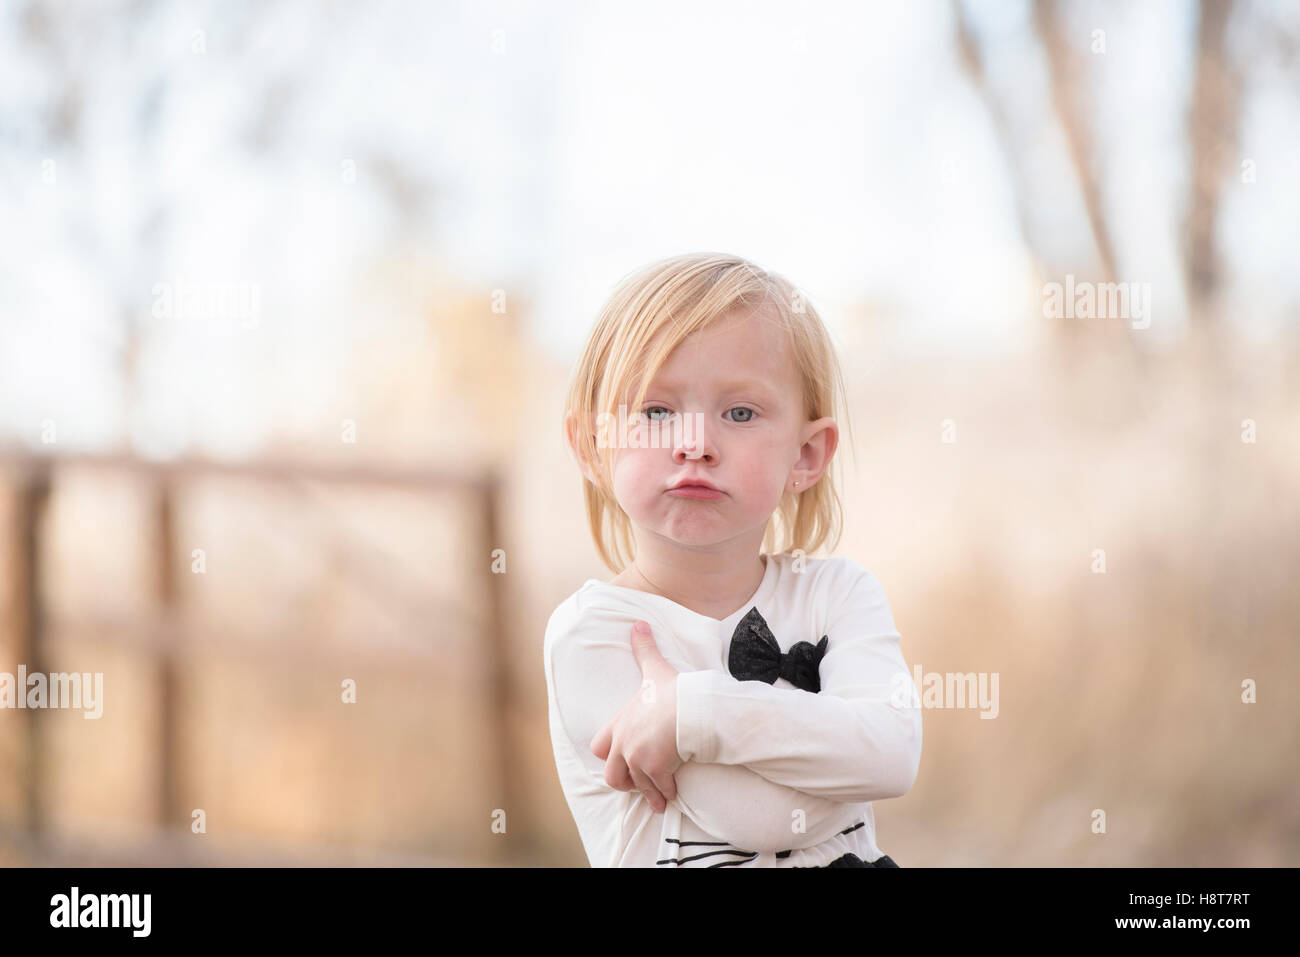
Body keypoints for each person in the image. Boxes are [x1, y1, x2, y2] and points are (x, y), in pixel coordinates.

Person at [544, 252, 922, 867]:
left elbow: (894, 753)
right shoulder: (596, 632)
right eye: (657, 411)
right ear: (593, 445)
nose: (695, 443)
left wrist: (689, 712)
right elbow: (762, 818)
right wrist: (837, 747)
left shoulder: (837, 593)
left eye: (740, 413)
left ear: (805, 454)